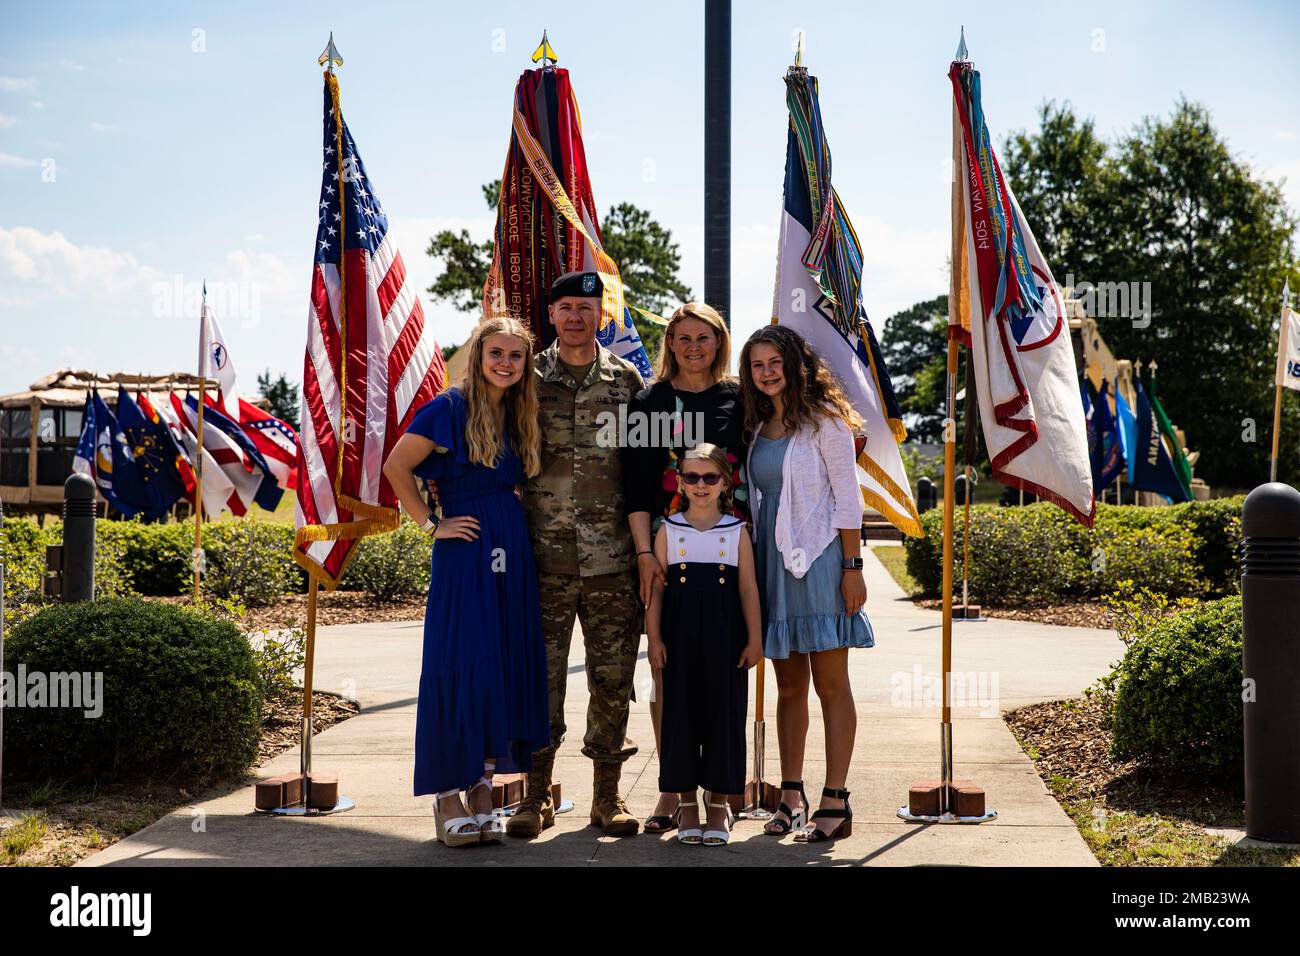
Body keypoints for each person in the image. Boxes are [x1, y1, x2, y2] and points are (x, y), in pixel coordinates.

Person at [383, 316, 550, 848]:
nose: (505, 363)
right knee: (462, 663)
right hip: (465, 549)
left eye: (515, 356)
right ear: (478, 355)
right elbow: (396, 467)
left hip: (510, 548)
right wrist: (433, 525)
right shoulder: (448, 407)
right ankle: (447, 794)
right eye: (496, 353)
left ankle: (482, 788)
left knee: (501, 663)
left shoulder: (518, 413)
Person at [506, 270, 647, 838]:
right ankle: (535, 798)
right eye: (564, 307)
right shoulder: (525, 377)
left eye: (585, 307)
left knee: (612, 680)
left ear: (600, 315)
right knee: (542, 681)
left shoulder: (627, 381)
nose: (574, 317)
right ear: (552, 315)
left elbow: (641, 470)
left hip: (613, 560)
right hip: (542, 560)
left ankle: (606, 800)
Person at [739, 324, 872, 844]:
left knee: (830, 683)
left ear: (795, 364)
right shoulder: (756, 428)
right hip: (772, 567)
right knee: (788, 684)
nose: (767, 372)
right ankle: (791, 794)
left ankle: (835, 798)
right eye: (757, 365)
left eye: (775, 362)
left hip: (820, 564)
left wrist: (852, 567)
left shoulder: (826, 423)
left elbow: (847, 499)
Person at [622, 302, 750, 833]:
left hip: (727, 547)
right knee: (665, 672)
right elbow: (634, 486)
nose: (693, 346)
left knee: (721, 677)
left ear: (719, 342)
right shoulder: (649, 401)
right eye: (683, 337)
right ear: (669, 343)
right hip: (664, 550)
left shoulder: (738, 399)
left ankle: (721, 789)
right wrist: (645, 554)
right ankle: (673, 788)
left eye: (704, 337)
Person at [646, 443, 762, 846]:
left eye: (709, 477)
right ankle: (687, 805)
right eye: (691, 477)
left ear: (724, 483)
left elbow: (748, 590)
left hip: (725, 640)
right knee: (679, 720)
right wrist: (655, 638)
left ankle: (717, 807)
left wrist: (755, 638)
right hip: (677, 640)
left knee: (723, 719)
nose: (700, 485)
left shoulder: (737, 532)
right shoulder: (668, 530)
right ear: (680, 481)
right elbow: (657, 594)